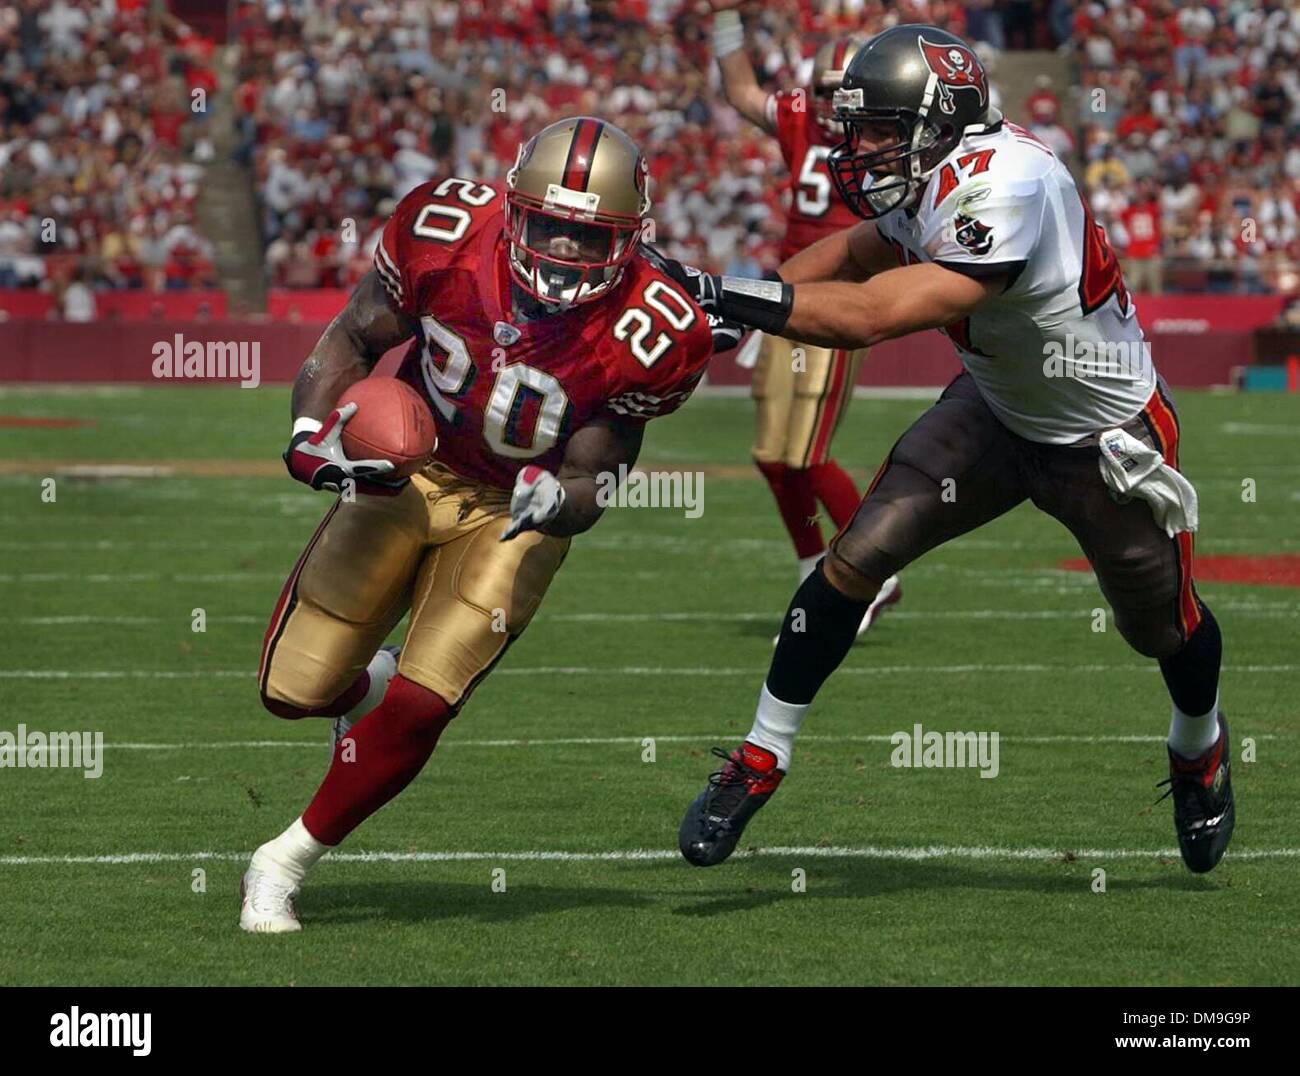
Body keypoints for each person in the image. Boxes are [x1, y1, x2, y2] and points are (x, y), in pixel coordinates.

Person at [666, 26, 1233, 876]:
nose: (862, 147)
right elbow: (853, 254)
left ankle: (1200, 747)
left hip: (1100, 435)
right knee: (856, 556)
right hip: (998, 411)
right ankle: (758, 757)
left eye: (883, 127)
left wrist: (733, 297)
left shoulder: (1010, 181)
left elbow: (871, 315)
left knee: (1160, 625)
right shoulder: (928, 175)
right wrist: (746, 296)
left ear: (943, 122)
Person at [240, 117, 734, 932]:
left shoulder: (657, 325)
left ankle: (283, 859)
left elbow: (595, 473)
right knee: (292, 692)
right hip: (410, 468)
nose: (567, 254)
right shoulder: (443, 231)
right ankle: (365, 690)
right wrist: (308, 436)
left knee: (428, 701)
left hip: (516, 507)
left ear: (631, 239)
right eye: (551, 228)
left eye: (590, 238)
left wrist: (563, 502)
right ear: (513, 208)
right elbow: (355, 338)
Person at [711, 2, 902, 634]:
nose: (828, 102)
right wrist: (725, 21)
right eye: (822, 90)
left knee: (810, 452)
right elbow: (741, 89)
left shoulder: (885, 138)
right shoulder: (797, 120)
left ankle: (876, 566)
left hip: (842, 300)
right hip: (783, 296)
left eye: (842, 92)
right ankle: (810, 558)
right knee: (773, 454)